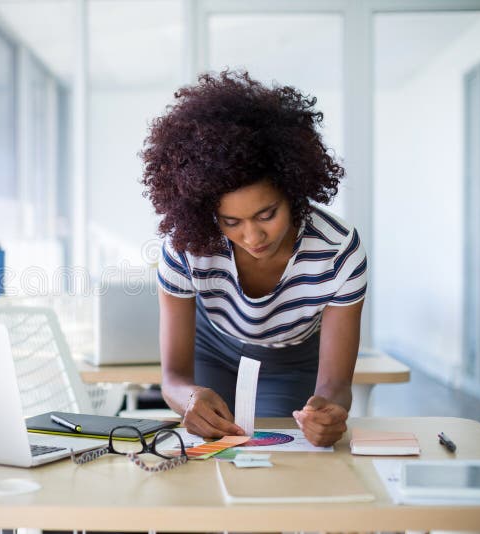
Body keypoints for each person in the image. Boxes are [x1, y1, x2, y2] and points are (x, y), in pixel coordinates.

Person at [140, 70, 367, 447]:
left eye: (267, 214)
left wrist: (328, 413)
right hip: (212, 348)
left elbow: (336, 387)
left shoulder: (338, 251)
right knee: (211, 456)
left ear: (294, 193)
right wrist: (189, 400)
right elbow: (174, 380)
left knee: (282, 458)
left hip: (290, 359)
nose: (252, 236)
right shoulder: (185, 248)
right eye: (231, 222)